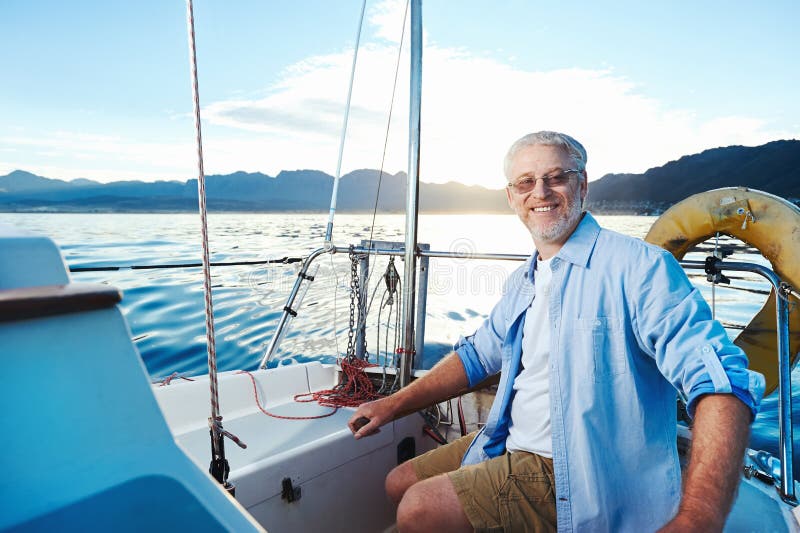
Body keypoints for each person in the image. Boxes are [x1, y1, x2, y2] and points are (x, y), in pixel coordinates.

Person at [348, 131, 764, 532]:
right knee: (398, 483)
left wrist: (698, 521)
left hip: (581, 472)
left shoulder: (640, 268)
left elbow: (720, 379)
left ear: (582, 184)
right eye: (526, 182)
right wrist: (392, 405)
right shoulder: (523, 282)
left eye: (556, 177)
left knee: (420, 509)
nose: (541, 193)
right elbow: (478, 356)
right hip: (509, 438)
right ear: (512, 197)